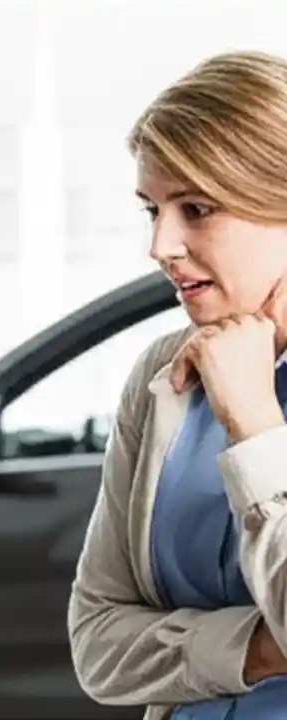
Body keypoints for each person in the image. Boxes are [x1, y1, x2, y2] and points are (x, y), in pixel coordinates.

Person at [68, 50, 287, 720]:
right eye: (152, 210)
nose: (160, 244)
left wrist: (254, 424)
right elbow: (97, 639)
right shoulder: (165, 374)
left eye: (196, 208)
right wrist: (252, 647)